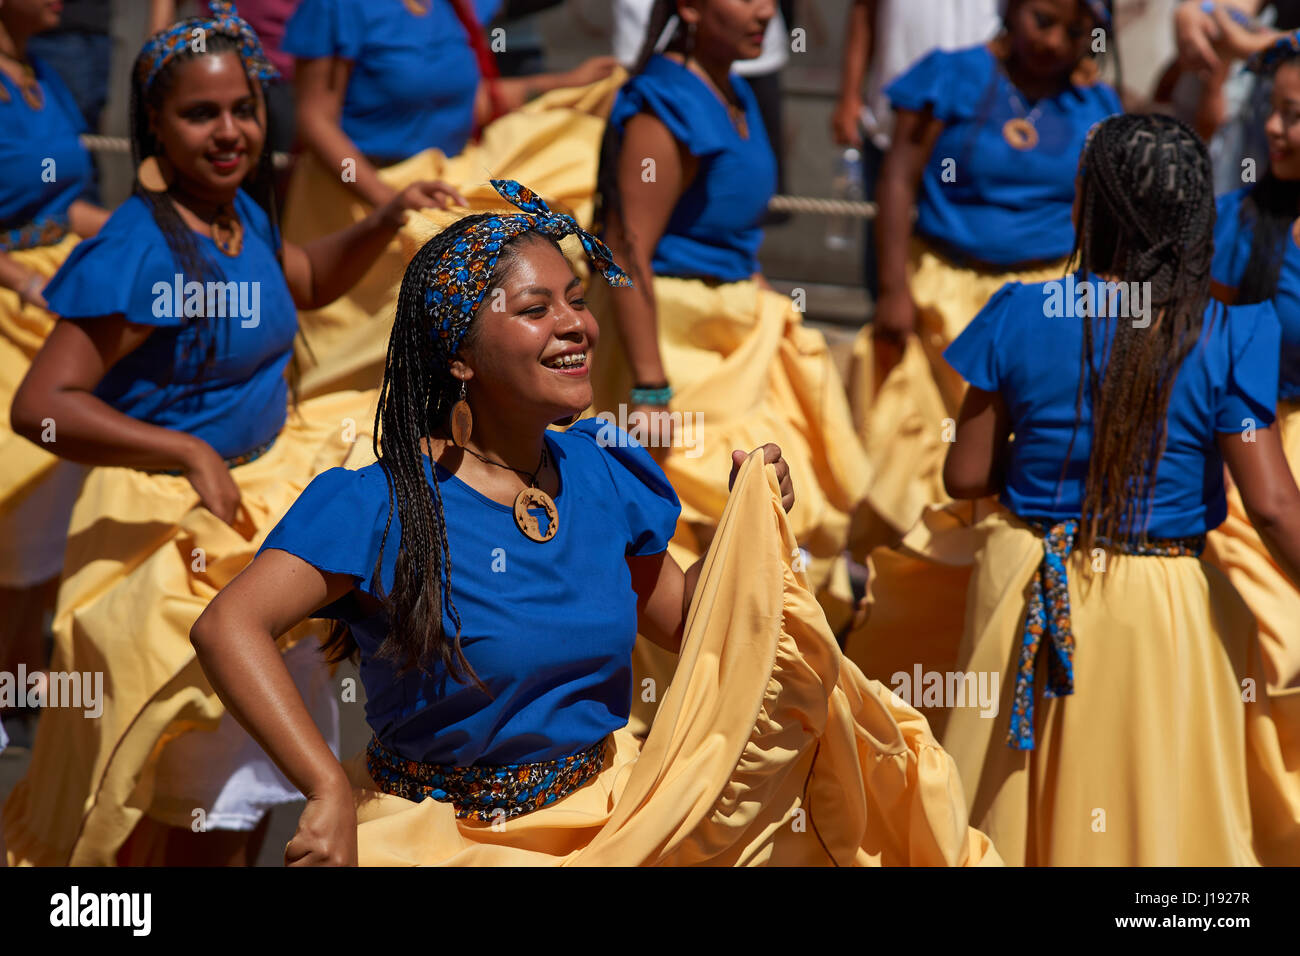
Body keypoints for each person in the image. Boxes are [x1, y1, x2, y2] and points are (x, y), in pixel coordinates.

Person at [189, 178, 1002, 867]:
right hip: (445, 840)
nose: (576, 326)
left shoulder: (604, 470)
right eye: (536, 309)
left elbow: (692, 625)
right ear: (459, 356)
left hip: (610, 823)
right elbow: (229, 626)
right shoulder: (379, 502)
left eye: (577, 302)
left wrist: (749, 531)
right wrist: (327, 784)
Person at [2, 1, 462, 867]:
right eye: (200, 113)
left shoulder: (241, 215)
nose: (229, 131)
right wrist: (184, 449)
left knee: (255, 786)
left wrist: (384, 216)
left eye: (243, 109)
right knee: (188, 794)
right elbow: (42, 404)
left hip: (247, 506)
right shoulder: (140, 248)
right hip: (164, 534)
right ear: (155, 129)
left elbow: (302, 280)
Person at [938, 114, 1299, 864]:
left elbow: (966, 474)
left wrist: (1045, 479)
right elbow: (1271, 505)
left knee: (1012, 804)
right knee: (1146, 813)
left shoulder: (1016, 312)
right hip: (1159, 601)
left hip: (1026, 582)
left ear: (1087, 206)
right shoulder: (1228, 336)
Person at [592, 0, 869, 724]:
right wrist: (651, 393)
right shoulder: (664, 102)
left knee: (773, 511)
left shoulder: (734, 86)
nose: (765, 11)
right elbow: (626, 251)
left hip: (735, 336)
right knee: (683, 522)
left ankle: (747, 720)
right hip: (674, 348)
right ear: (687, 6)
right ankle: (672, 726)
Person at [848, 0, 1120, 552]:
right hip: (939, 294)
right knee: (914, 453)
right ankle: (906, 586)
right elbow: (898, 178)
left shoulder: (1095, 103)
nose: (1052, 42)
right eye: (1041, 20)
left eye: (1074, 31)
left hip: (1044, 303)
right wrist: (894, 288)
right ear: (1011, 9)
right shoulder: (948, 75)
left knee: (1021, 450)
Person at [277, 0, 621, 398]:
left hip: (443, 179)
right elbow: (314, 119)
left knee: (569, 198)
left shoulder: (447, 6)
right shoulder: (337, 8)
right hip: (362, 195)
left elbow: (472, 102)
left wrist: (568, 83)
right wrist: (391, 204)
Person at [0, 0, 108, 736]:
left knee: (53, 507)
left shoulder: (45, 78)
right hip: (12, 310)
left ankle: (19, 681)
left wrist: (162, 236)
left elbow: (66, 206)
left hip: (58, 300)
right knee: (20, 485)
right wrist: (18, 278)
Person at [1198, 30, 1300, 733]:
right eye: (1274, 107)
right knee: (1273, 643)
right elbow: (1208, 350)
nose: (1271, 126)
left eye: (1295, 114)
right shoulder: (1241, 222)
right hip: (1260, 450)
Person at [831, 0, 1001, 295]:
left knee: (965, 258)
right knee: (886, 258)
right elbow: (863, 10)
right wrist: (849, 95)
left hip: (977, 134)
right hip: (893, 126)